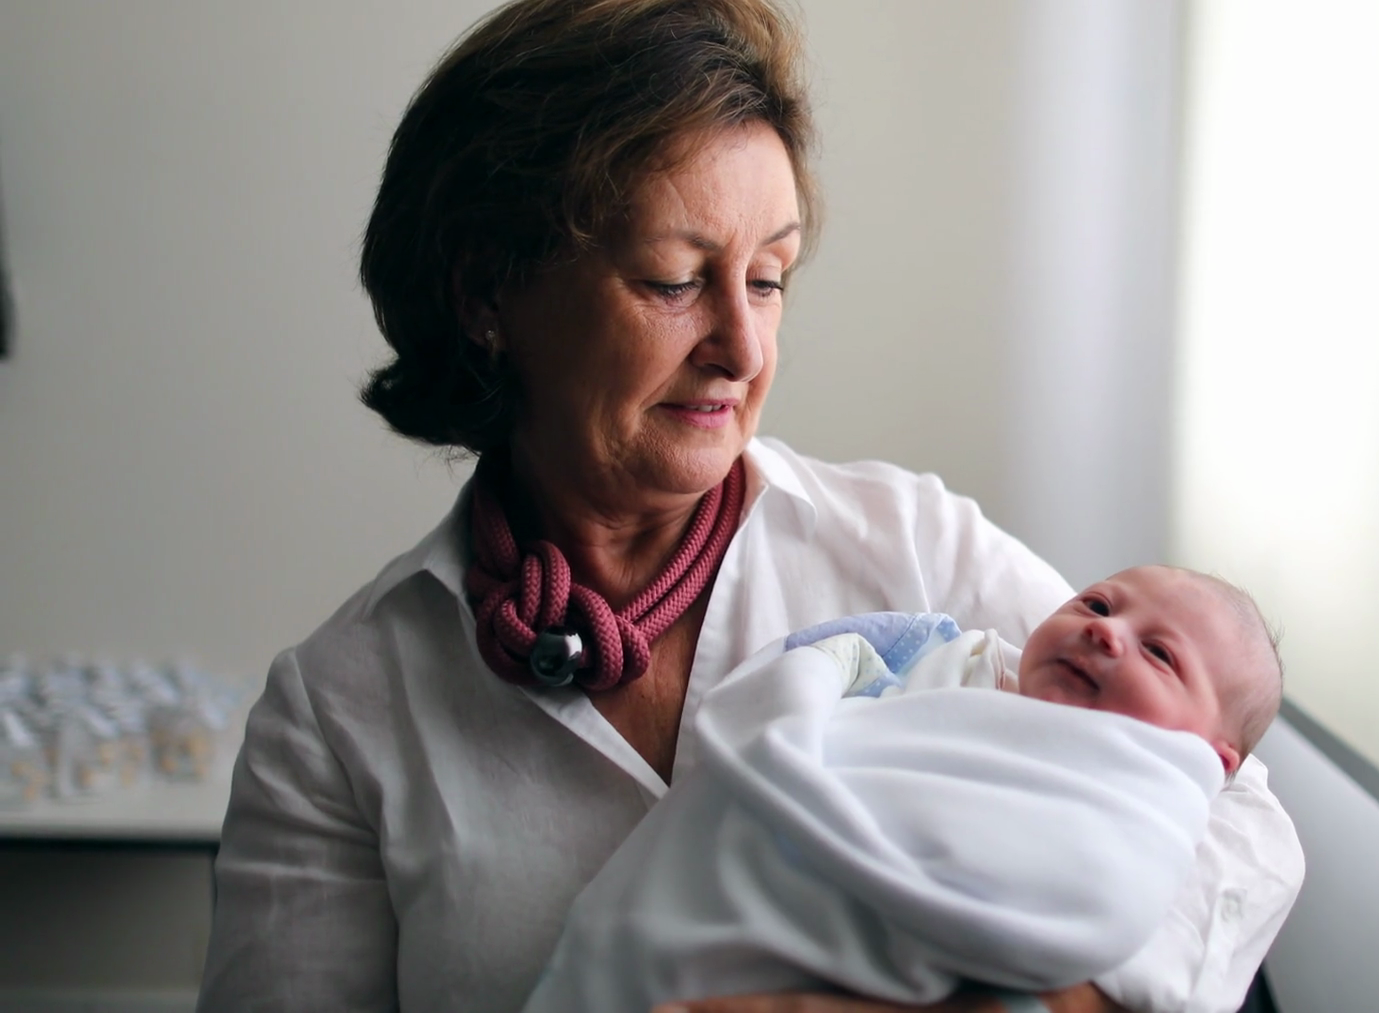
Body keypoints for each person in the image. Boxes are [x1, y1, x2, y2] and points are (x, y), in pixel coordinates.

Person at [197, 2, 1303, 1012]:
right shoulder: (339, 714)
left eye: (768, 278)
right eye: (674, 279)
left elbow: (1237, 815)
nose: (742, 347)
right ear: (488, 290)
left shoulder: (915, 548)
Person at [523, 565, 1291, 1011]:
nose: (1104, 629)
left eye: (1159, 653)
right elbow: (812, 673)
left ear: (1209, 758)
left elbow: (1240, 848)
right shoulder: (940, 661)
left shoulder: (1154, 803)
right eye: (1095, 603)